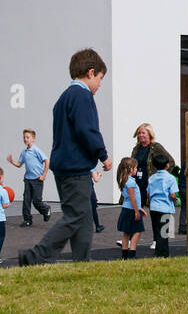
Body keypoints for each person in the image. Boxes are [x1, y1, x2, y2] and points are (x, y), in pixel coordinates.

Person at [19, 49, 112, 266]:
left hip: (64, 166)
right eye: (100, 79)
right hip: (75, 168)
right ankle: (34, 256)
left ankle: (82, 262)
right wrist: (103, 154)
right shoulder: (82, 95)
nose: (99, 84)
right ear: (91, 73)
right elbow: (87, 129)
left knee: (84, 217)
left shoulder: (63, 98)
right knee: (75, 217)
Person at [126, 124, 176, 249]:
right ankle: (130, 239)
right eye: (139, 133)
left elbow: (171, 161)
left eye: (143, 133)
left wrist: (161, 177)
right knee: (134, 210)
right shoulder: (136, 148)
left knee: (156, 212)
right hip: (137, 183)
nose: (141, 135)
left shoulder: (156, 147)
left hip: (151, 184)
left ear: (149, 134)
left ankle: (157, 240)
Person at [6, 129, 52, 228]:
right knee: (26, 201)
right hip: (27, 179)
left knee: (36, 201)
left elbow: (47, 161)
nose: (25, 139)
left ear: (33, 139)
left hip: (37, 180)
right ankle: (27, 220)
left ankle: (46, 209)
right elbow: (19, 164)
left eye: (28, 137)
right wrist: (11, 161)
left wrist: (44, 175)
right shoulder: (24, 152)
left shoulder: (36, 150)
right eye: (24, 137)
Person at [147, 153, 179, 257]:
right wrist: (175, 200)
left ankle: (157, 253)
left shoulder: (152, 178)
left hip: (154, 207)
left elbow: (148, 193)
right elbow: (173, 194)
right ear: (167, 165)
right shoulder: (170, 178)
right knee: (164, 232)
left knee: (156, 231)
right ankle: (163, 254)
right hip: (165, 207)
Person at [115, 157, 145, 258]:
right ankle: (132, 253)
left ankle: (124, 255)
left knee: (126, 233)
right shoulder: (131, 182)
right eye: (135, 168)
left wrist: (139, 208)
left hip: (126, 209)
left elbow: (129, 198)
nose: (136, 170)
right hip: (132, 210)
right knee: (137, 231)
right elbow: (133, 198)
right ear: (130, 169)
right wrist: (137, 211)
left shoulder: (124, 180)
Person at [89, 167, 106, 233]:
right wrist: (99, 175)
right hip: (89, 189)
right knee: (93, 208)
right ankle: (97, 226)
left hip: (79, 189)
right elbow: (96, 179)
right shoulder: (90, 165)